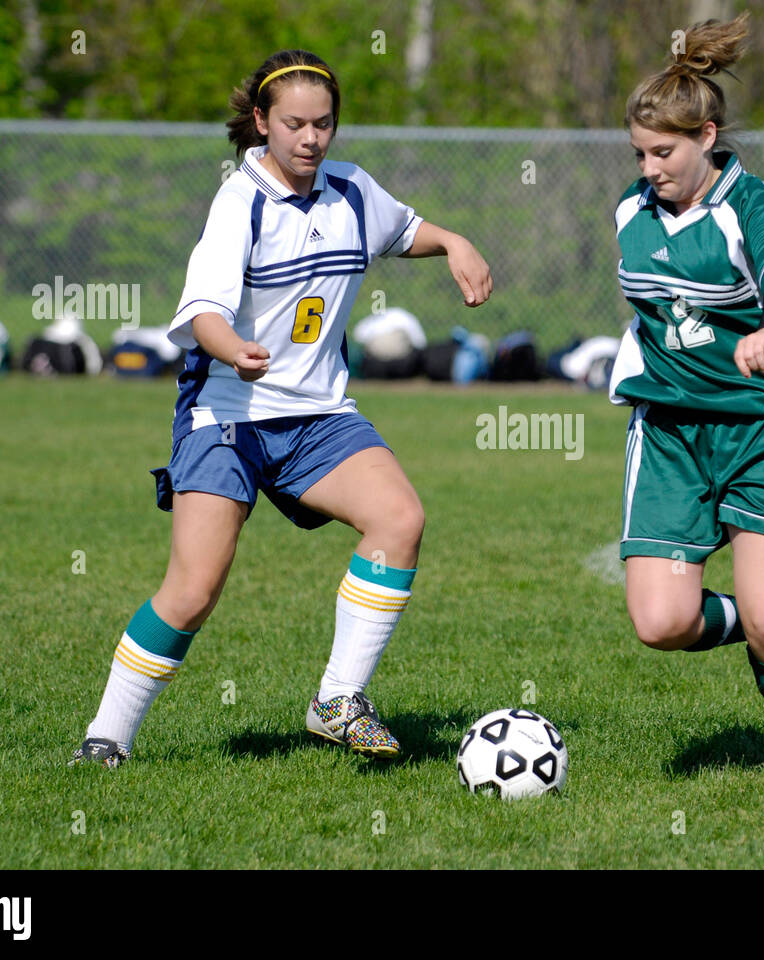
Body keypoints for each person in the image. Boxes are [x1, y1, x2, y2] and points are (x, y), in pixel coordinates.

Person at [70, 49, 491, 767]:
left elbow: (402, 231)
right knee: (195, 588)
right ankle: (105, 737)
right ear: (261, 122)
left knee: (399, 518)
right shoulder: (240, 202)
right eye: (294, 124)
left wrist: (453, 242)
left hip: (319, 416)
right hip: (227, 414)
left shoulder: (353, 191)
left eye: (323, 124)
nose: (310, 139)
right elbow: (203, 311)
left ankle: (338, 701)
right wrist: (231, 345)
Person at [611, 11, 764, 782]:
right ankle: (754, 619)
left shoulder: (752, 203)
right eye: (640, 152)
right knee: (661, 622)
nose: (650, 167)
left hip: (761, 429)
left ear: (708, 137)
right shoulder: (631, 212)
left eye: (665, 152)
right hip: (673, 435)